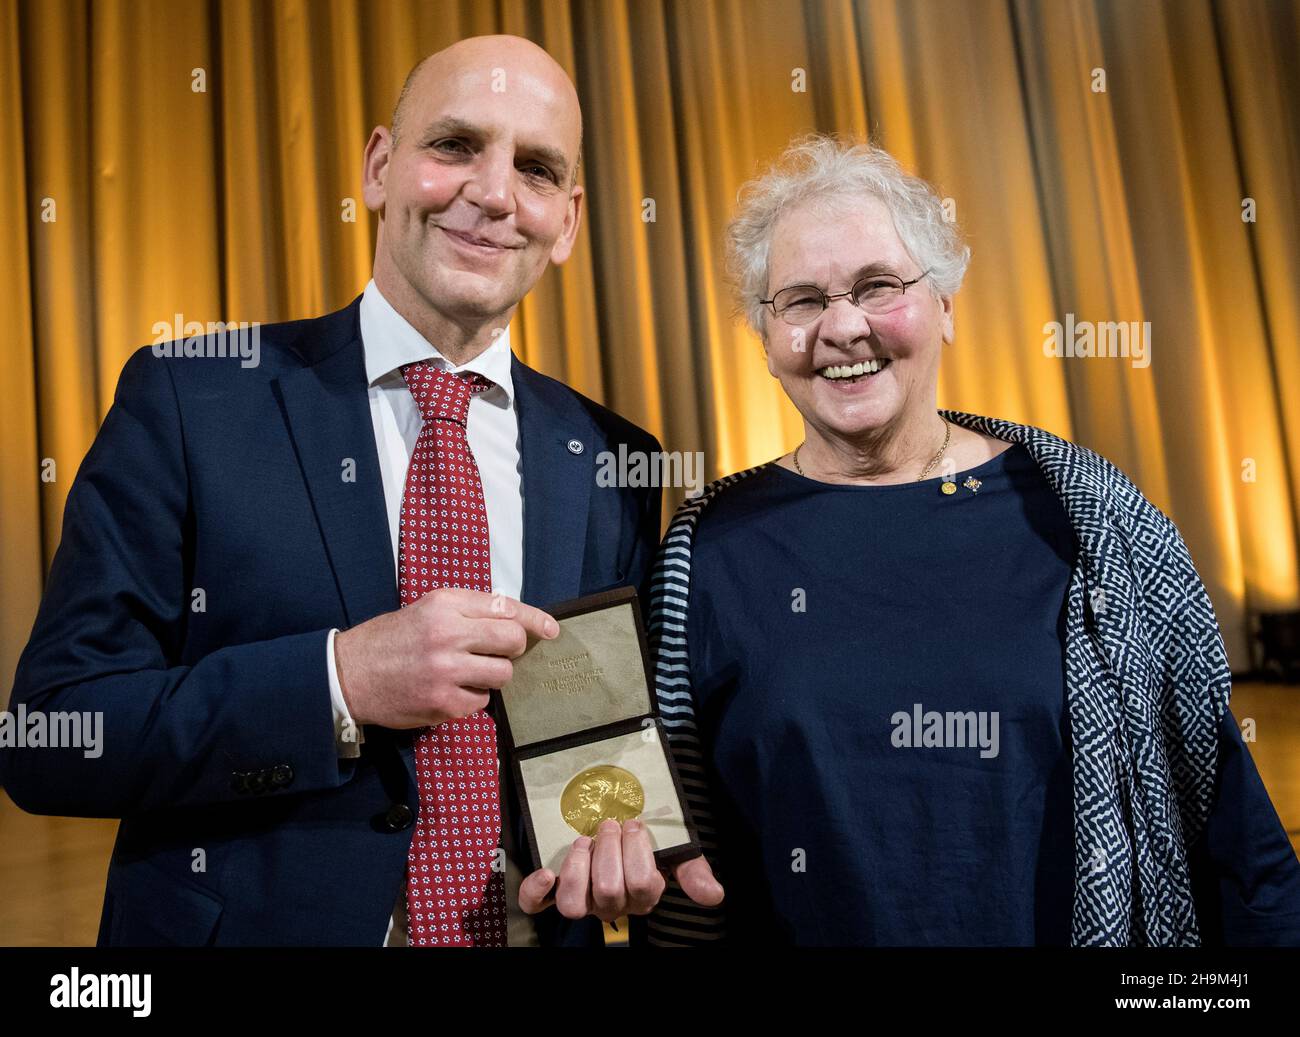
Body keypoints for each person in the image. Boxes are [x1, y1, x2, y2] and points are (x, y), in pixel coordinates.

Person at [1, 34, 720, 947]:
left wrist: (617, 848)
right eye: (455, 145)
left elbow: (590, 745)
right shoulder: (191, 399)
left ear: (568, 222)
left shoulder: (610, 454)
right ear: (380, 167)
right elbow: (51, 735)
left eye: (535, 169)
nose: (494, 194)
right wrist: (336, 681)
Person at [637, 135, 1300, 947]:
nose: (843, 327)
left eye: (878, 286)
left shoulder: (1088, 515)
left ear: (946, 303)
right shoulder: (706, 553)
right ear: (766, 338)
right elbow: (683, 881)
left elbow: (1233, 832)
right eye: (802, 301)